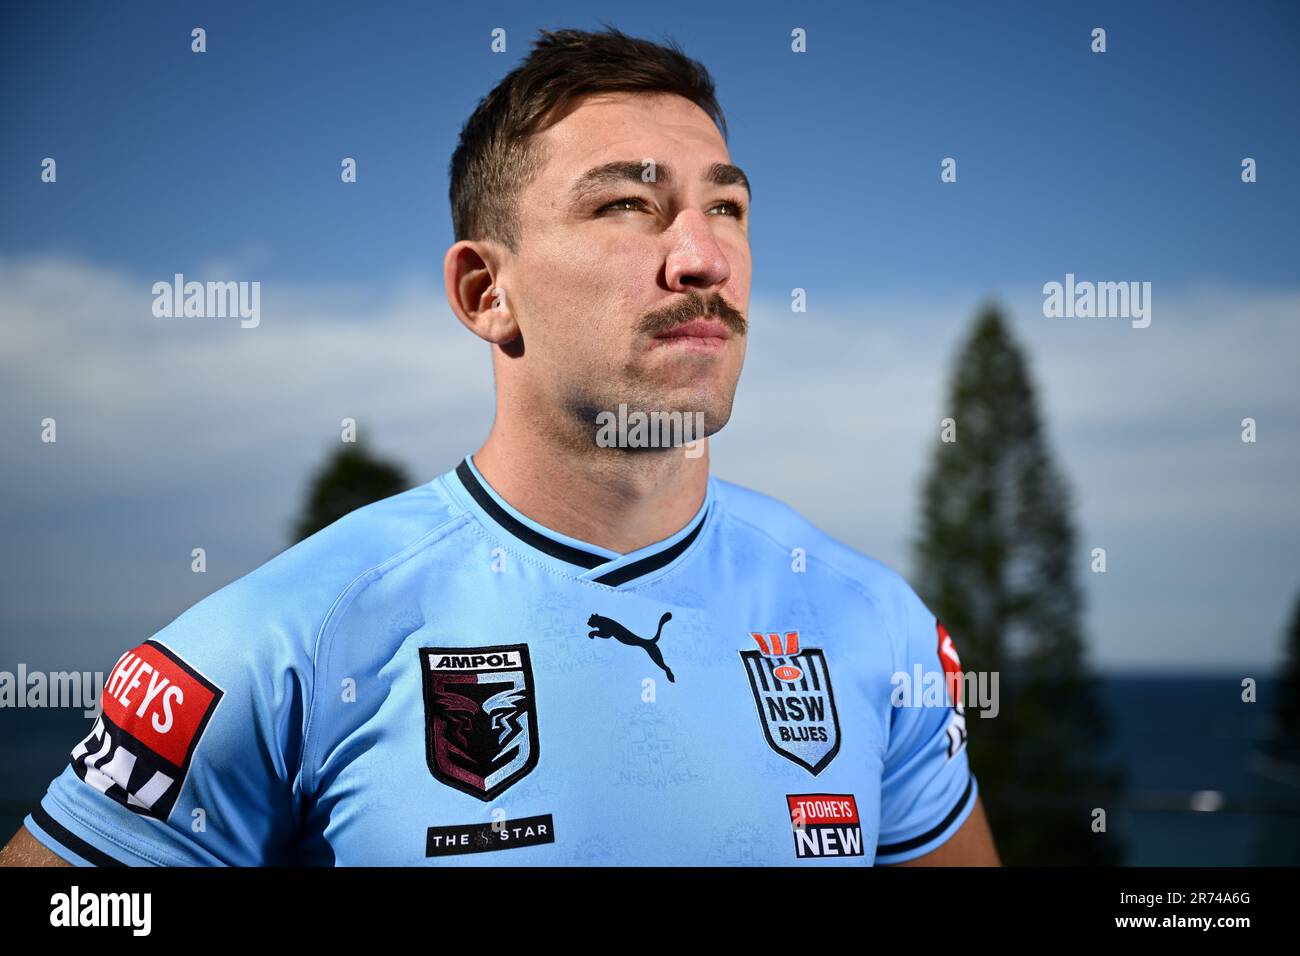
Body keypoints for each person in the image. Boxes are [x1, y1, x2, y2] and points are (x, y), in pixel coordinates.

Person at [1, 26, 998, 867]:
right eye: (625, 205)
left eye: (725, 208)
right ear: (486, 292)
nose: (703, 257)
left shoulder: (876, 625)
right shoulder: (270, 648)